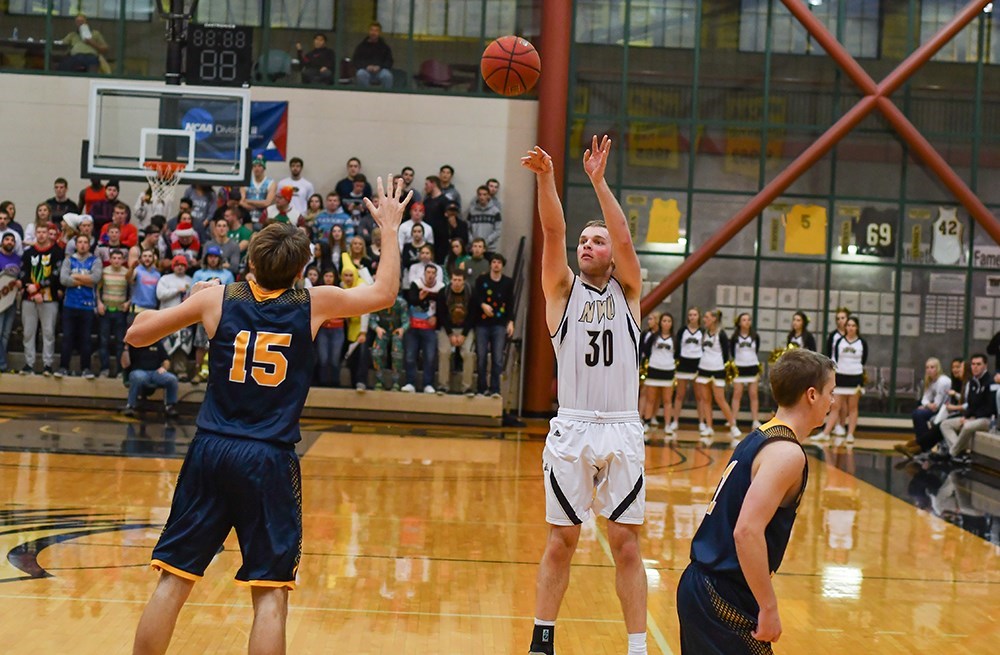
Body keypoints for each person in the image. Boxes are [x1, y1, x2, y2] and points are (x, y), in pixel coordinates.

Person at [125, 175, 409, 655]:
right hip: (269, 459)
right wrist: (388, 227)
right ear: (302, 270)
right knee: (271, 595)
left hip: (211, 451)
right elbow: (383, 292)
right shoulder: (314, 302)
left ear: (251, 261)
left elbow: (136, 335)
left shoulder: (219, 298)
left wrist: (197, 296)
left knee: (173, 583)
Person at [521, 136, 648, 655]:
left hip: (621, 425)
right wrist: (546, 178)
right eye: (584, 242)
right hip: (573, 426)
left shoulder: (631, 290)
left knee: (626, 545)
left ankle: (637, 646)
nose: (587, 246)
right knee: (561, 541)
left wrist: (598, 182)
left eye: (596, 242)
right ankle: (541, 641)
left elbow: (623, 237)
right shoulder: (560, 293)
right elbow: (553, 230)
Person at [676, 348, 835, 654]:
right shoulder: (787, 453)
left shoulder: (760, 435)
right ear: (812, 395)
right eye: (831, 392)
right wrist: (769, 606)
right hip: (720, 594)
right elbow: (746, 531)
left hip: (706, 586)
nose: (833, 401)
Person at [815, 316, 866, 445]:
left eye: (853, 325)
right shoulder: (839, 342)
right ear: (845, 327)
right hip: (841, 377)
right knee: (835, 406)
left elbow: (863, 360)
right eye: (848, 325)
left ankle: (850, 434)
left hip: (855, 377)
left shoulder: (862, 343)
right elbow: (835, 359)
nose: (850, 328)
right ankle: (826, 433)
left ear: (857, 328)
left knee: (853, 407)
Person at [19, 223, 63, 376]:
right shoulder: (28, 253)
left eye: (44, 232)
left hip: (49, 299)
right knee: (28, 333)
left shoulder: (57, 252)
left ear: (49, 234)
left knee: (48, 333)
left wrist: (37, 286)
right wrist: (30, 289)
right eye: (39, 232)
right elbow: (22, 273)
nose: (41, 235)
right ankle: (29, 364)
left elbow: (56, 275)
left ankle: (47, 365)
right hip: (28, 299)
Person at [57, 234, 103, 378]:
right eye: (80, 242)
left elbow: (96, 278)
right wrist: (86, 279)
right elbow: (64, 279)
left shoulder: (95, 260)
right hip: (70, 304)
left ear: (89, 245)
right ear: (76, 245)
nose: (82, 245)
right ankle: (63, 367)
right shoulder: (68, 260)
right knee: (67, 338)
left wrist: (75, 276)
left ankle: (86, 369)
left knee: (86, 339)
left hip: (87, 306)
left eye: (85, 242)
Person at [472, 253, 514, 397]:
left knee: (497, 358)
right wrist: (483, 305)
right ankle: (481, 388)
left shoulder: (508, 282)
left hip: (499, 324)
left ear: (502, 265)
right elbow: (475, 297)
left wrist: (511, 322)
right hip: (482, 324)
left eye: (499, 262)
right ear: (490, 264)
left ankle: (495, 389)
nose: (496, 264)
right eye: (494, 262)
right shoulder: (481, 280)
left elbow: (510, 303)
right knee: (481, 357)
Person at [939, 353, 994, 462]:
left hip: (987, 420)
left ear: (985, 366)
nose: (975, 367)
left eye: (978, 364)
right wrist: (967, 416)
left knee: (968, 426)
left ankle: (952, 453)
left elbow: (991, 408)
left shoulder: (991, 382)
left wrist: (974, 417)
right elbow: (970, 404)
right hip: (973, 418)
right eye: (973, 364)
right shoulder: (972, 383)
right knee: (945, 424)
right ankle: (959, 453)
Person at [895, 357, 952, 458]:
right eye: (927, 367)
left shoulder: (943, 381)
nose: (929, 370)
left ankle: (922, 447)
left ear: (938, 368)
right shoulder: (930, 380)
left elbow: (936, 405)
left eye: (932, 367)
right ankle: (923, 447)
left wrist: (927, 405)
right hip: (936, 408)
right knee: (917, 413)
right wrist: (927, 405)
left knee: (919, 414)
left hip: (945, 410)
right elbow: (925, 399)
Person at [697, 309, 739, 444]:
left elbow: (726, 354)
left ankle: (733, 425)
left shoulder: (721, 334)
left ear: (714, 319)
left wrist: (721, 366)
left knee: (720, 399)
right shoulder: (704, 333)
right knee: (705, 399)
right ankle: (709, 427)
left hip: (718, 369)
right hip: (704, 368)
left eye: (707, 317)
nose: (704, 319)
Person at [402, 264, 443, 393]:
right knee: (410, 355)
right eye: (428, 272)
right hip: (413, 326)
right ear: (424, 274)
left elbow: (443, 307)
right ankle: (410, 383)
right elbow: (410, 301)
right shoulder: (416, 284)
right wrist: (419, 298)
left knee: (430, 356)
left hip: (429, 327)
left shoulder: (441, 288)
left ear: (436, 275)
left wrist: (437, 317)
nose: (430, 275)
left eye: (433, 273)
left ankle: (428, 384)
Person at [437, 269, 475, 394]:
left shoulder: (471, 293)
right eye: (454, 280)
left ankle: (467, 387)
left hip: (465, 327)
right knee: (444, 352)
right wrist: (450, 334)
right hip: (448, 327)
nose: (457, 283)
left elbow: (472, 316)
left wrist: (463, 334)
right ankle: (443, 385)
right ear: (451, 280)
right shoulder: (444, 293)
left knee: (468, 354)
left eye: (459, 280)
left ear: (464, 281)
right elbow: (441, 315)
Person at [120, 340, 179, 418]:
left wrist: (164, 368)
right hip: (139, 371)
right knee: (138, 377)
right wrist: (126, 348)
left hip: (155, 372)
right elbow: (125, 365)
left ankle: (170, 406)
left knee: (172, 379)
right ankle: (130, 406)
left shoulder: (157, 343)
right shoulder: (134, 344)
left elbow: (166, 360)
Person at [640, 312, 676, 440]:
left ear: (672, 324)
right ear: (660, 322)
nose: (666, 323)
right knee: (650, 399)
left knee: (667, 400)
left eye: (669, 321)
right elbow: (646, 350)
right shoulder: (654, 337)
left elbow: (678, 354)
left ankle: (667, 425)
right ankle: (647, 422)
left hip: (668, 371)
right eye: (664, 321)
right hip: (654, 370)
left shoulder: (674, 338)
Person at [96, 248, 130, 377]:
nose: (116, 261)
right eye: (114, 258)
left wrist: (129, 302)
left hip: (120, 311)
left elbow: (133, 290)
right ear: (110, 259)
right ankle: (104, 369)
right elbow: (97, 289)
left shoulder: (127, 273)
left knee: (120, 342)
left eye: (119, 258)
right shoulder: (104, 272)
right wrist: (99, 303)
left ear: (123, 260)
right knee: (103, 341)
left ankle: (120, 371)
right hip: (106, 311)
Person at [730, 312, 762, 435]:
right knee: (737, 395)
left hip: (752, 366)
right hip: (739, 368)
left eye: (748, 320)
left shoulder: (755, 336)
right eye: (744, 320)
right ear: (739, 322)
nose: (747, 322)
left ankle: (755, 420)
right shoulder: (734, 337)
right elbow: (732, 352)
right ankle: (733, 420)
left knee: (753, 394)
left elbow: (756, 349)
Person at [673, 306, 703, 435]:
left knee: (699, 396)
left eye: (694, 315)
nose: (692, 317)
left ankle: (702, 422)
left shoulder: (703, 331)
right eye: (690, 315)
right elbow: (677, 346)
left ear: (698, 316)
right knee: (680, 395)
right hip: (684, 364)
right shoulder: (682, 331)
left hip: (697, 365)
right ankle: (675, 421)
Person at [824, 307, 850, 436]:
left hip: (847, 371)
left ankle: (841, 424)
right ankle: (833, 425)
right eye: (838, 318)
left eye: (843, 318)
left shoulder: (850, 335)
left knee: (844, 400)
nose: (841, 321)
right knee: (835, 398)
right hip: (835, 368)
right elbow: (828, 352)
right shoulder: (833, 335)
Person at [0, 233, 22, 373]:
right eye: (7, 239)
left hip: (11, 300)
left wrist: (20, 283)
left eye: (12, 240)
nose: (10, 242)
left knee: (6, 333)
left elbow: (22, 277)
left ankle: (1, 363)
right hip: (0, 299)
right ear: (2, 241)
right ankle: (2, 364)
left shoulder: (18, 259)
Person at [353, 22, 394, 88]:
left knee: (387, 76)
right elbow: (356, 60)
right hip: (365, 70)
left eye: (376, 31)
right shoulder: (361, 46)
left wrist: (379, 67)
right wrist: (366, 66)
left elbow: (389, 61)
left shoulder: (384, 47)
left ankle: (387, 96)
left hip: (380, 71)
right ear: (368, 31)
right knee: (360, 74)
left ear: (379, 33)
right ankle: (364, 95)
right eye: (371, 30)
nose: (373, 33)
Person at [240, 156, 276, 228]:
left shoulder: (271, 183)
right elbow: (241, 202)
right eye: (254, 166)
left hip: (263, 220)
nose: (257, 168)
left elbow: (267, 203)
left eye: (259, 166)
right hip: (247, 219)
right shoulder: (246, 182)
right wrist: (259, 204)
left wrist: (248, 201)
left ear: (264, 168)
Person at [467, 185, 502, 254]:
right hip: (474, 248)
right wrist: (474, 243)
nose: (482, 197)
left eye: (484, 194)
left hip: (489, 249)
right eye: (479, 194)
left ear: (488, 196)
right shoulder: (472, 211)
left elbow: (497, 231)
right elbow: (467, 228)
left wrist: (484, 243)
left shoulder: (495, 211)